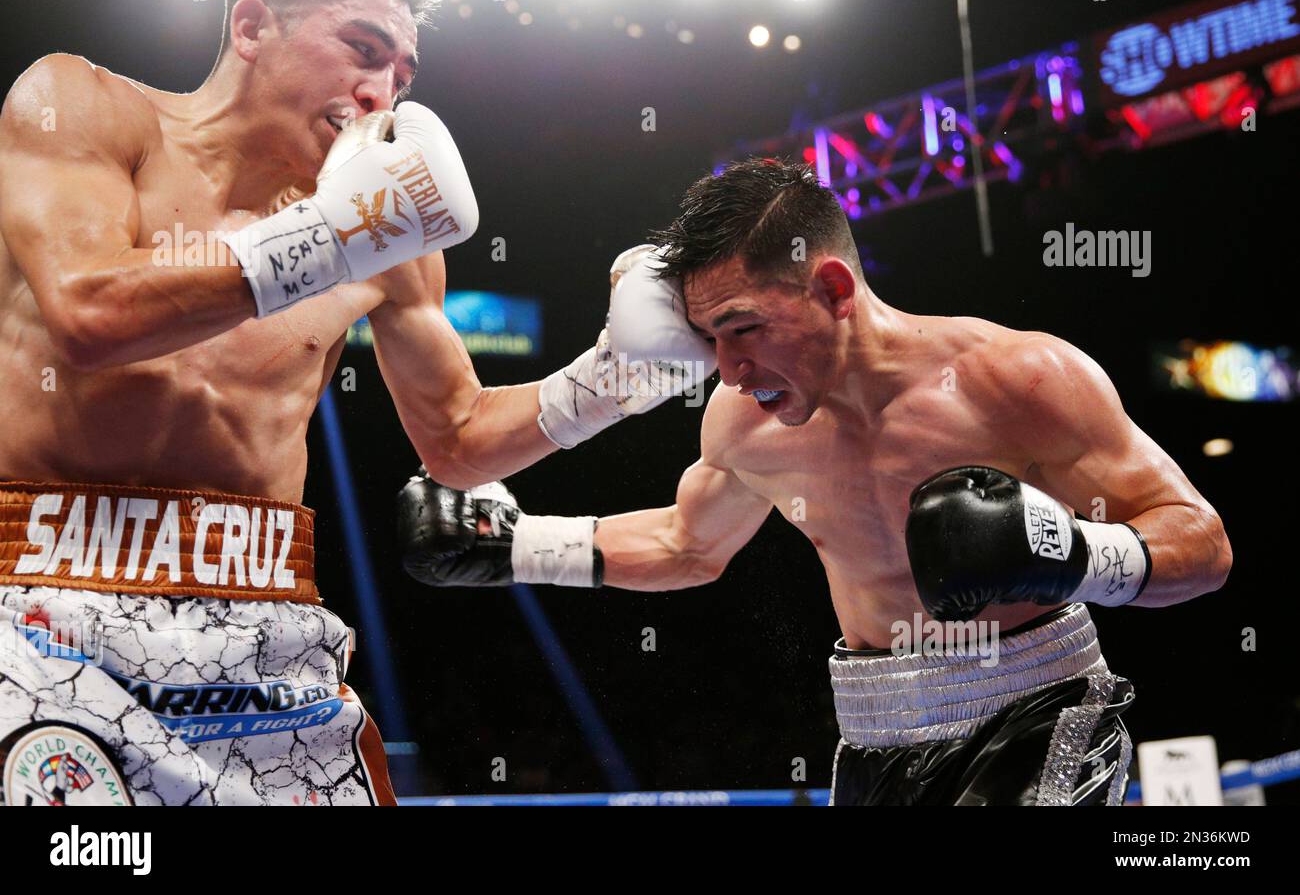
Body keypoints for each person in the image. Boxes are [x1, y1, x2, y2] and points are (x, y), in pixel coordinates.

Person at [0, 0, 707, 805]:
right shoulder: (87, 105)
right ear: (252, 27)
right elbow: (87, 315)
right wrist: (333, 235)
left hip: (265, 616)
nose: (381, 92)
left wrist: (619, 376)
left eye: (401, 74)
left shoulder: (387, 227)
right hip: (45, 604)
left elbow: (457, 441)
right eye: (362, 50)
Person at [399, 157, 1234, 806]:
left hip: (1039, 710)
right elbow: (687, 545)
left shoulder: (1020, 379)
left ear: (832, 287)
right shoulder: (743, 423)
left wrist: (1075, 552)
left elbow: (1202, 542)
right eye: (709, 339)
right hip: (873, 733)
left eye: (744, 328)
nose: (726, 367)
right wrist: (515, 546)